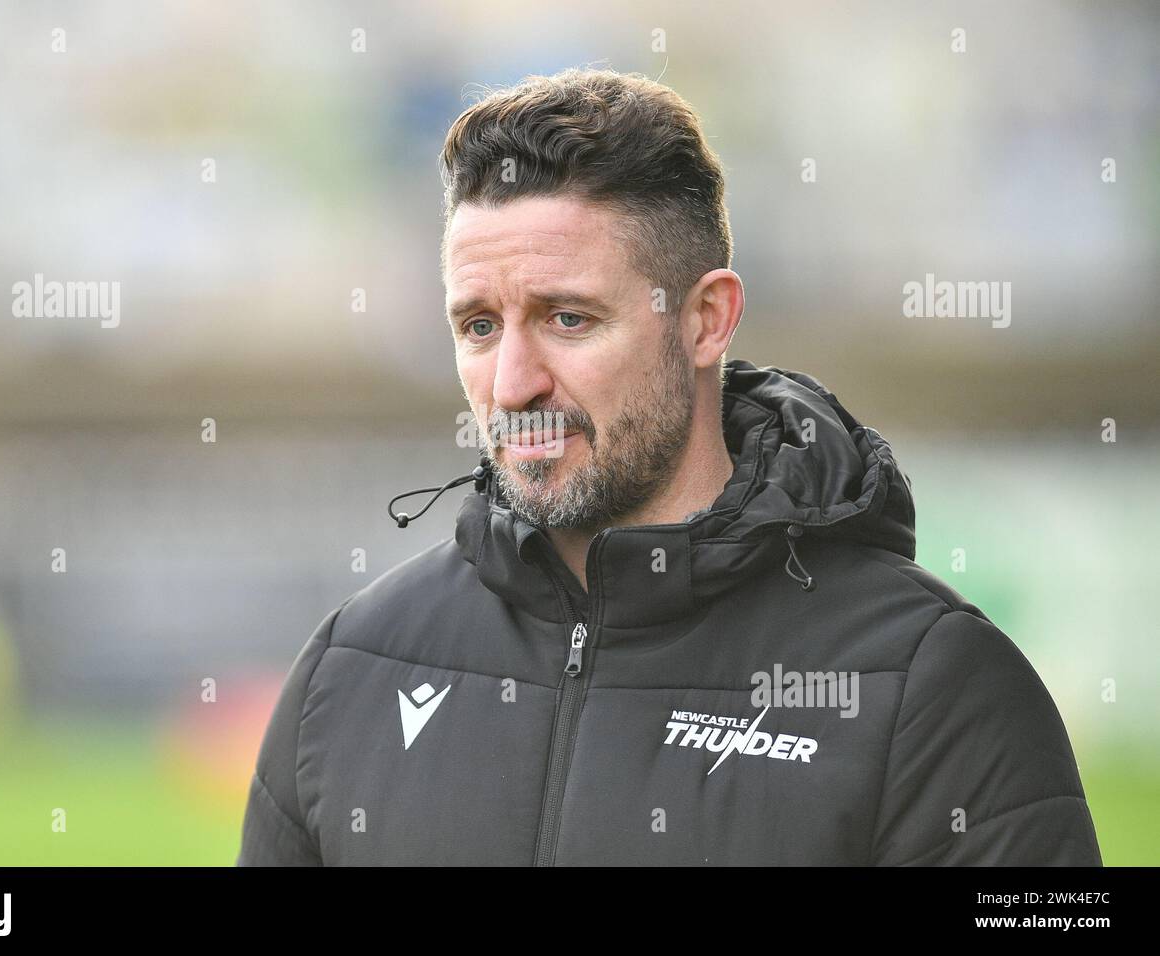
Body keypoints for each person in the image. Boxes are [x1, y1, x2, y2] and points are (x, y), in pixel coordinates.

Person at [237, 67, 1102, 866]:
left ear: (706, 320)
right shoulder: (353, 666)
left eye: (568, 319)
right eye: (478, 326)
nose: (513, 383)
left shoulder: (929, 684)